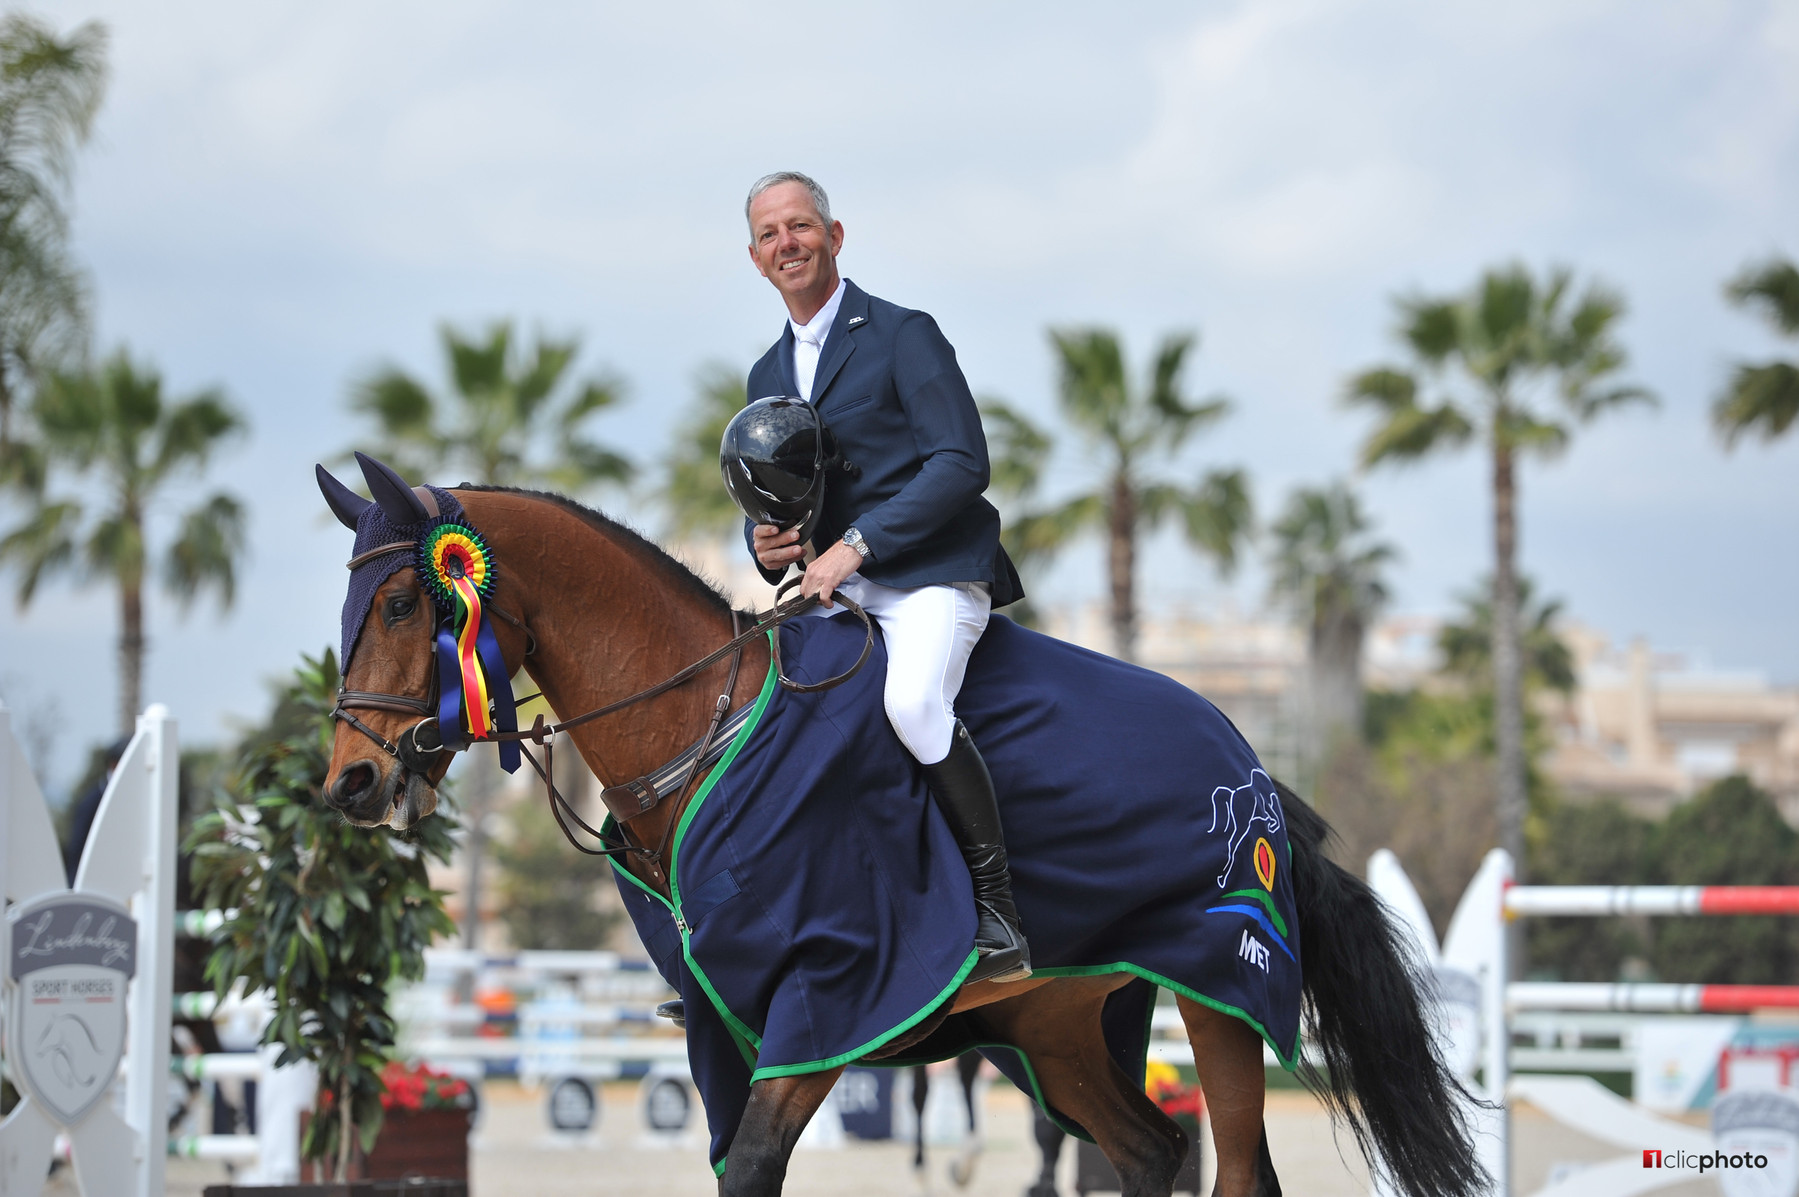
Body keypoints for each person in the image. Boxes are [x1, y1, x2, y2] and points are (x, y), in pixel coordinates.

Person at [738, 171, 1030, 984]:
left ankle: (998, 911)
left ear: (834, 236)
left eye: (800, 226)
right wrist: (766, 541)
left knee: (911, 704)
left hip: (932, 574)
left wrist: (857, 544)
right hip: (836, 587)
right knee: (763, 721)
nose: (787, 243)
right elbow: (777, 496)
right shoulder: (764, 373)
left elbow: (960, 462)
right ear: (755, 258)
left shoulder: (904, 334)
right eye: (769, 234)